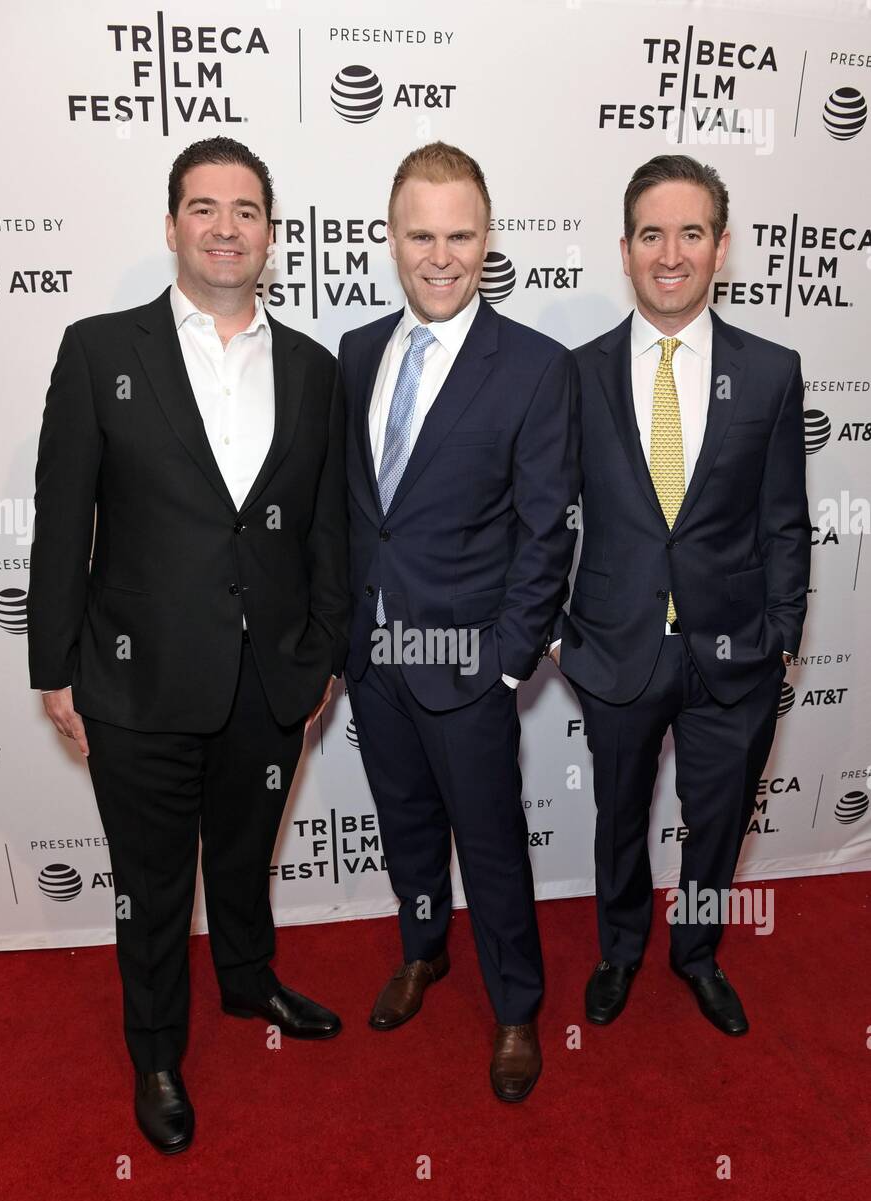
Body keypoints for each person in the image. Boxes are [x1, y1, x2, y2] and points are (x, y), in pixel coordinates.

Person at [27, 137, 349, 1154]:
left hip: (269, 679)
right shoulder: (97, 351)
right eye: (203, 208)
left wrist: (324, 650)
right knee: (153, 880)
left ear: (269, 232)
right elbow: (59, 519)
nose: (224, 227)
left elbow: (328, 526)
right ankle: (156, 1050)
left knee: (246, 858)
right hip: (135, 680)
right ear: (172, 226)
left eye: (245, 209)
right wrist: (52, 666)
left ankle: (250, 987)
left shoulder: (312, 369)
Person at [339, 142, 577, 1101]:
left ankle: (517, 1006)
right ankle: (422, 950)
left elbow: (546, 531)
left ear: (488, 237)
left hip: (468, 660)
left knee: (489, 842)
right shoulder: (356, 352)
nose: (441, 256)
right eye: (421, 235)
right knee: (404, 825)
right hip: (374, 652)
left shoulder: (532, 366)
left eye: (461, 235)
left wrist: (507, 664)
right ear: (391, 239)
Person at [553, 153, 810, 1036]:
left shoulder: (771, 372)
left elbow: (784, 519)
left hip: (734, 653)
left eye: (690, 233)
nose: (671, 253)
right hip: (616, 647)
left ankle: (695, 953)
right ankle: (619, 949)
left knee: (718, 821)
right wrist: (558, 634)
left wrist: (780, 632)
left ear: (720, 246)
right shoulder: (575, 376)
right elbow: (542, 518)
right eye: (651, 234)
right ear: (623, 250)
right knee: (618, 817)